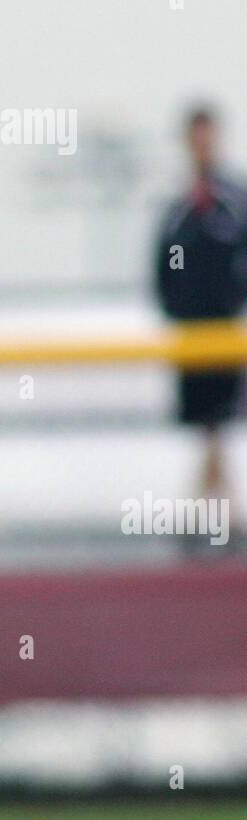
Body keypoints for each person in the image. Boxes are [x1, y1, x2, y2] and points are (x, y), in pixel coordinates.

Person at [155, 106, 247, 516]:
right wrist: (176, 303)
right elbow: (168, 261)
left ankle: (212, 511)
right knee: (205, 423)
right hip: (190, 331)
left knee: (220, 419)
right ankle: (217, 511)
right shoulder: (178, 208)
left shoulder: (234, 204)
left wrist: (232, 297)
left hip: (225, 328)